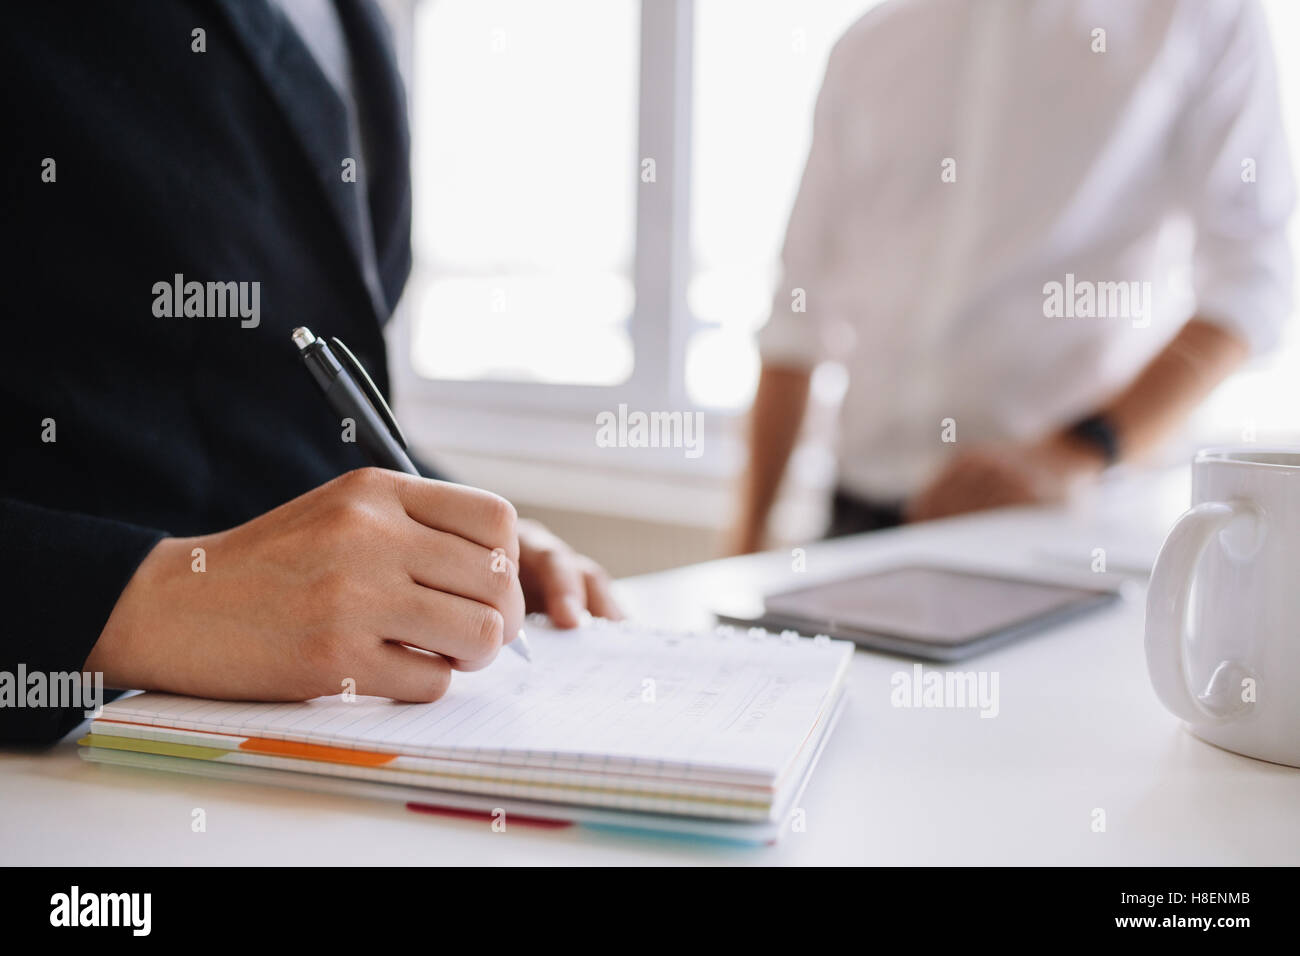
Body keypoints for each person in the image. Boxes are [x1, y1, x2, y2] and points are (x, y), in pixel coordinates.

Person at [1, 0, 619, 745]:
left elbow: (263, 394)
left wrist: (443, 536)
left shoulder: (359, 23)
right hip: (62, 776)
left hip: (296, 758)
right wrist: (154, 600)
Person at [729, 0, 1294, 554]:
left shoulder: (1196, 15)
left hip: (1058, 530)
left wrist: (1075, 453)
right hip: (858, 521)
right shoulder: (868, 43)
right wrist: (747, 541)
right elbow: (795, 320)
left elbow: (1251, 283)